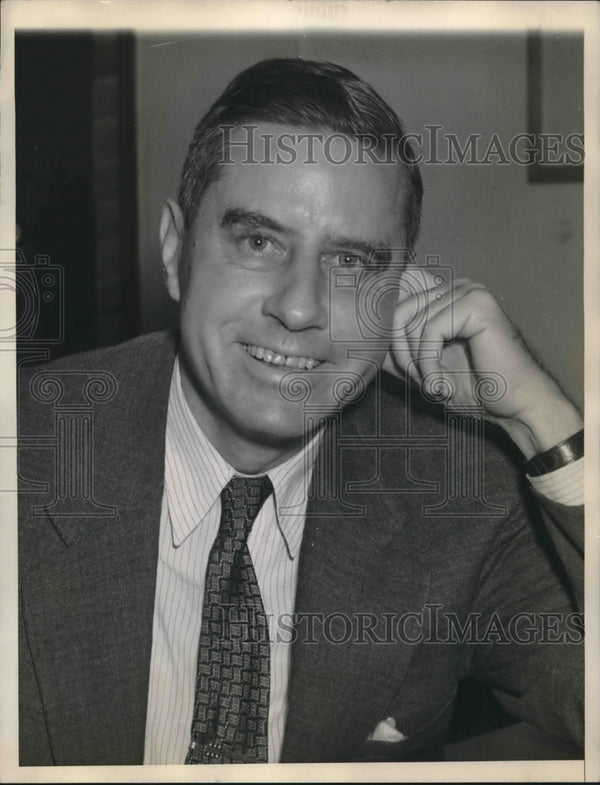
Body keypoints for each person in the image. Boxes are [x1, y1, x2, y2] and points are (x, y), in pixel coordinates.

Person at [18, 58, 583, 766]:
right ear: (174, 250)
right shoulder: (28, 448)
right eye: (258, 242)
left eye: (349, 263)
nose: (298, 307)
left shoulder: (458, 496)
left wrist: (539, 416)